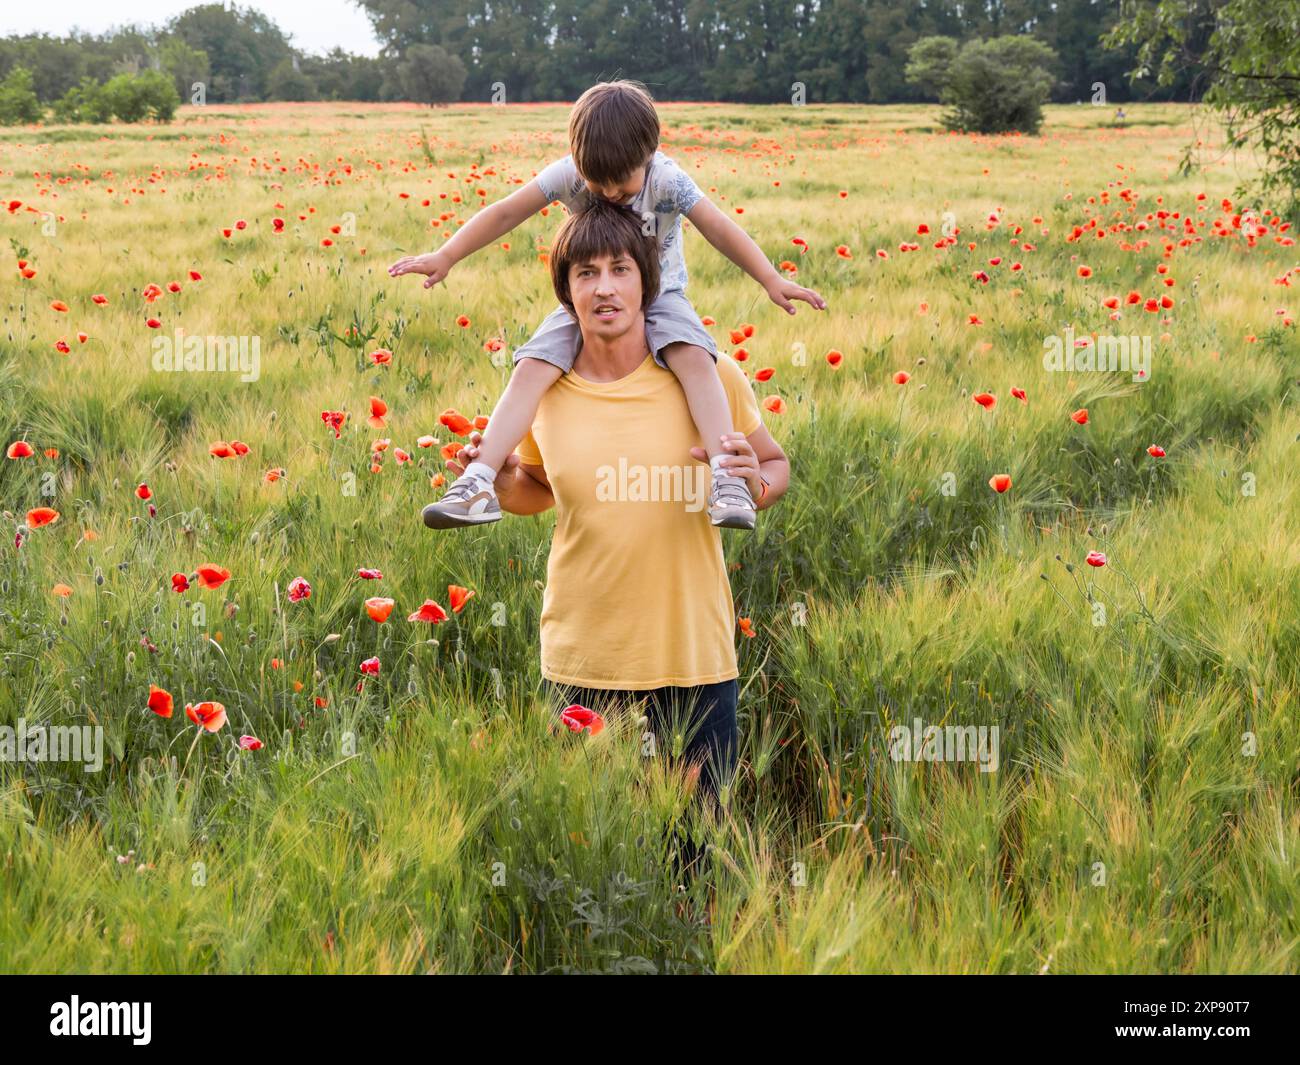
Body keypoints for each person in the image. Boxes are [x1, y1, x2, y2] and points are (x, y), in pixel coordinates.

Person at [445, 199, 790, 879]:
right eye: (584, 273)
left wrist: (756, 481)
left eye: (619, 269)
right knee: (591, 860)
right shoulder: (547, 391)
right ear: (566, 291)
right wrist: (504, 476)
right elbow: (539, 491)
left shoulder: (707, 377)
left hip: (693, 660)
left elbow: (774, 468)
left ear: (646, 281)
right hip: (583, 659)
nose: (603, 286)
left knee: (693, 862)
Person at [389, 78, 820, 533]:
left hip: (661, 293)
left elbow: (717, 226)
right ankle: (477, 481)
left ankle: (728, 478)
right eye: (599, 184)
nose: (611, 194)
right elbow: (505, 211)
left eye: (623, 183)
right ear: (578, 163)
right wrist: (447, 255)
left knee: (696, 358)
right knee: (532, 363)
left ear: (650, 153)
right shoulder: (568, 172)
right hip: (589, 299)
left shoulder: (667, 177)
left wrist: (770, 279)